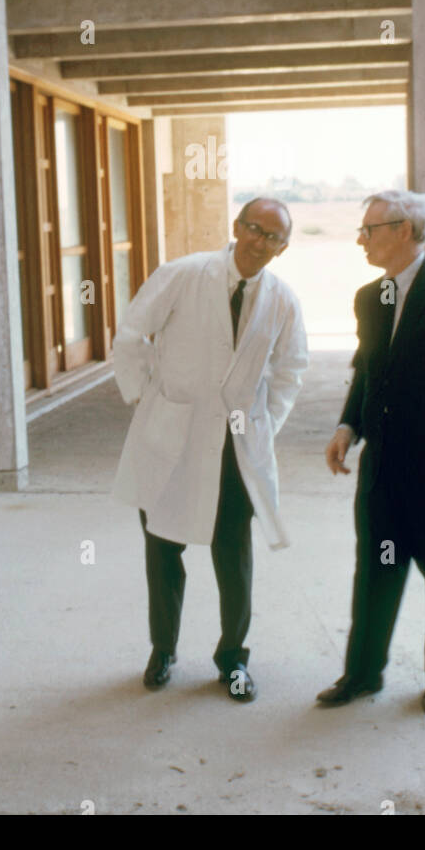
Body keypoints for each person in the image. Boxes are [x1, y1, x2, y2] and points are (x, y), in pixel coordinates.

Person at [111, 197, 308, 702]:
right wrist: (141, 396)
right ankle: (163, 650)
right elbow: (132, 332)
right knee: (162, 546)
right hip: (172, 433)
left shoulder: (282, 299)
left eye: (273, 238)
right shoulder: (184, 274)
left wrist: (266, 423)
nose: (259, 243)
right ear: (236, 226)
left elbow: (290, 370)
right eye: (253, 229)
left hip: (236, 444)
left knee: (233, 554)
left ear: (282, 248)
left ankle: (233, 659)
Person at [316, 189, 425, 713]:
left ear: (403, 230)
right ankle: (363, 675)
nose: (361, 239)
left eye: (369, 230)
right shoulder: (371, 298)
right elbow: (367, 368)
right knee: (375, 570)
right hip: (381, 470)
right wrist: (348, 426)